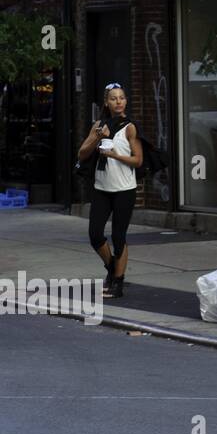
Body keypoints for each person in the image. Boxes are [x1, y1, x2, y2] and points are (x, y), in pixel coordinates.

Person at [77, 84, 142, 298]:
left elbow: (138, 160)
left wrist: (114, 155)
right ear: (107, 102)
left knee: (118, 236)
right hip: (102, 188)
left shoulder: (129, 127)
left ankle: (118, 283)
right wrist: (97, 137)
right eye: (113, 98)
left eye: (122, 97)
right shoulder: (98, 125)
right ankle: (113, 268)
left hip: (124, 189)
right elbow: (82, 154)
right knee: (95, 234)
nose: (118, 101)